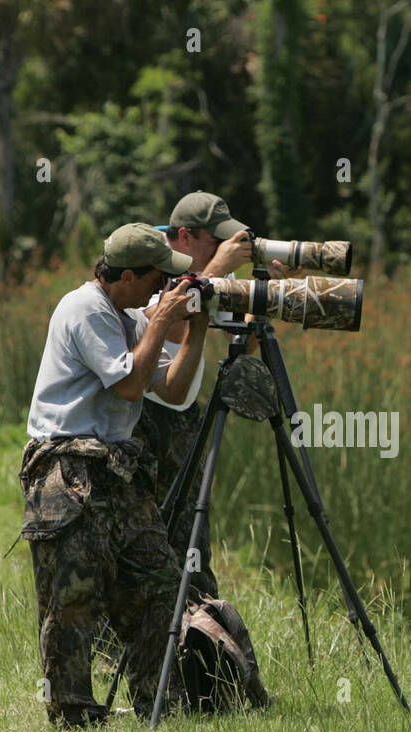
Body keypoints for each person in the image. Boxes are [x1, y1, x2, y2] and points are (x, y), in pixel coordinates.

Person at [19, 222, 208, 728]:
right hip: (67, 471)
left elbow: (171, 388)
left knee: (161, 586)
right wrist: (161, 320)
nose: (162, 289)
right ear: (127, 276)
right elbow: (129, 383)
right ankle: (73, 717)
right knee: (73, 602)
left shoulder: (124, 316)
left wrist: (195, 328)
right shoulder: (84, 309)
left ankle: (157, 705)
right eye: (157, 280)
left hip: (118, 472)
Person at [135, 191, 301, 597]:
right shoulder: (146, 266)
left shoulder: (209, 275)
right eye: (219, 241)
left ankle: (197, 636)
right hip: (137, 420)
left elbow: (241, 349)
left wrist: (265, 299)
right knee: (137, 535)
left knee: (191, 535)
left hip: (183, 419)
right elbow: (165, 327)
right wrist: (218, 268)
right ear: (187, 237)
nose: (230, 251)